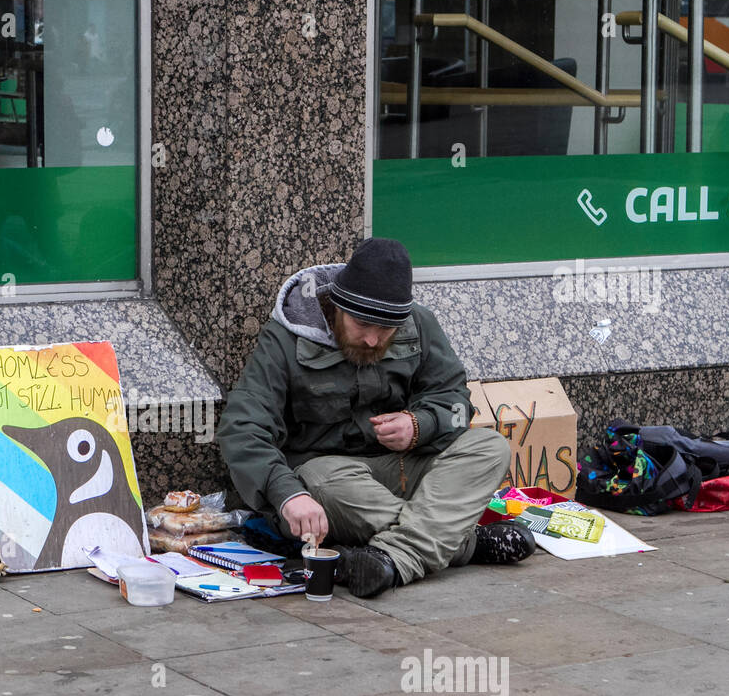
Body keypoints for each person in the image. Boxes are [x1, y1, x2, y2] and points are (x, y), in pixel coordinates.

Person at [216, 237, 536, 598]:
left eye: (385, 331)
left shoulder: (419, 323)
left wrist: (421, 425)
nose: (372, 340)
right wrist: (288, 496)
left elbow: (455, 399)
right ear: (338, 306)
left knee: (489, 446)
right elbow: (242, 427)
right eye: (361, 325)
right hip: (329, 483)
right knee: (320, 480)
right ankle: (463, 544)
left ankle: (393, 557)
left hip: (400, 467)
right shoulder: (286, 338)